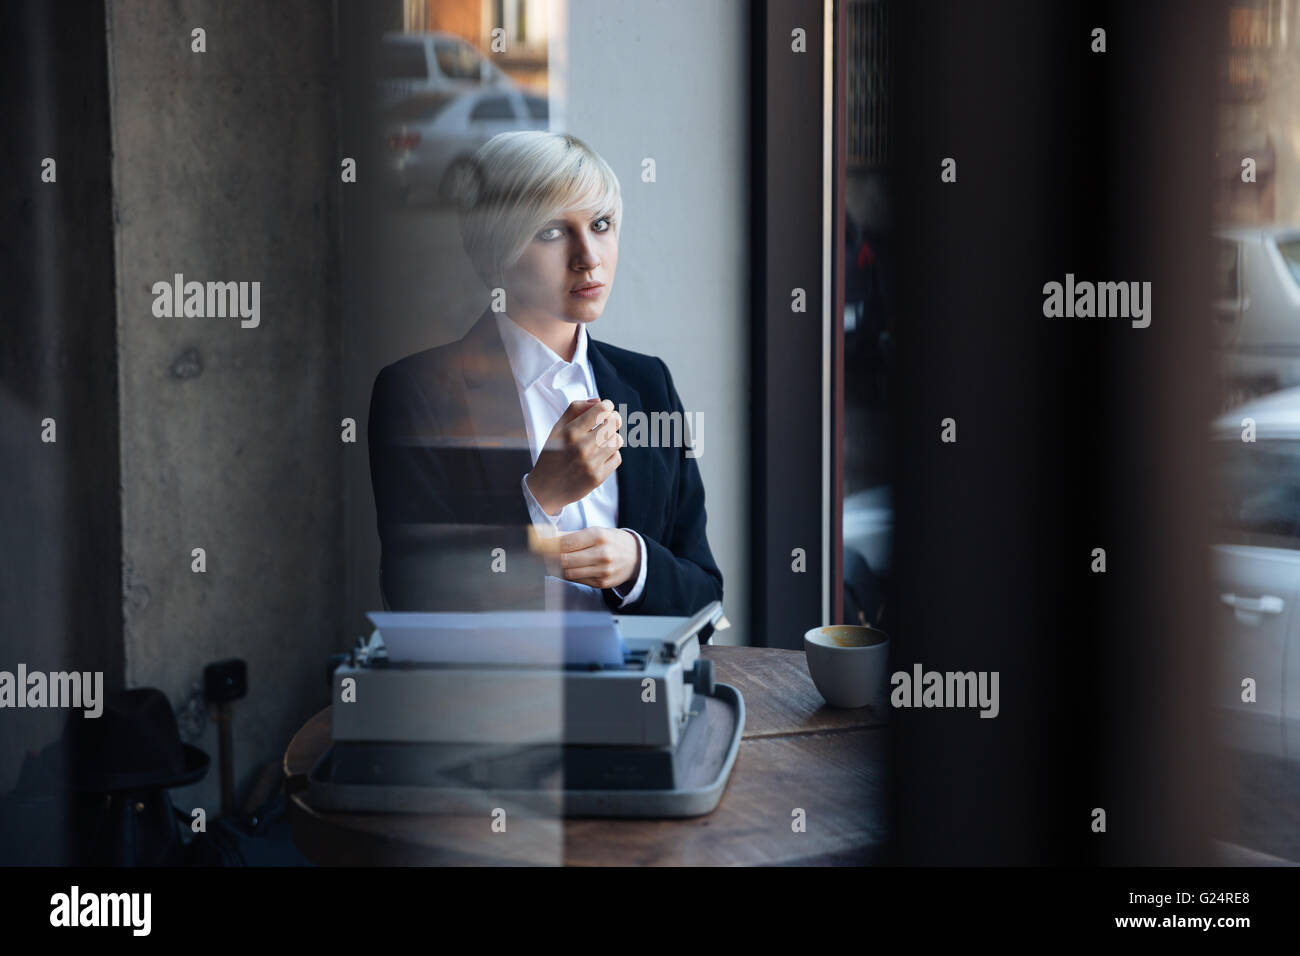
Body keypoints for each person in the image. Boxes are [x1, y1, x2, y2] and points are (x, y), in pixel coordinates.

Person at [367, 131, 722, 619]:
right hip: (492, 692)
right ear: (493, 251)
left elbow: (706, 596)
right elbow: (413, 595)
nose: (588, 257)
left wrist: (637, 566)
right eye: (551, 231)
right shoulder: (416, 393)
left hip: (639, 692)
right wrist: (539, 500)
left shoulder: (649, 384)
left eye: (601, 223)